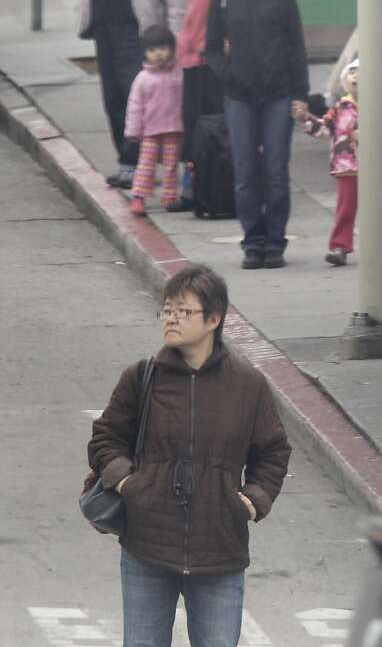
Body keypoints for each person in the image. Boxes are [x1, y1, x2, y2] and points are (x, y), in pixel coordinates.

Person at [87, 264, 291, 647]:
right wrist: (130, 483)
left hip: (220, 552)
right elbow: (105, 438)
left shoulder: (248, 385)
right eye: (167, 310)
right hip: (147, 547)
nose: (171, 319)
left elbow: (273, 451)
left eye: (183, 311)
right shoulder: (142, 376)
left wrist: (254, 499)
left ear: (213, 318)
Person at [205, 0, 309, 270]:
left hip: (278, 97)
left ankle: (275, 242)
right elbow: (212, 50)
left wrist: (301, 95)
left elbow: (296, 48)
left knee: (276, 172)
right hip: (239, 99)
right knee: (246, 172)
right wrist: (228, 76)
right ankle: (253, 242)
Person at [77, 0, 186, 189]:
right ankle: (127, 162)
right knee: (112, 98)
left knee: (136, 98)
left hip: (137, 33)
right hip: (104, 31)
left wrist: (174, 37)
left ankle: (145, 163)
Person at [163, 0, 237, 212]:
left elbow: (230, 8)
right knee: (192, 127)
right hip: (190, 59)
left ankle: (211, 187)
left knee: (213, 127)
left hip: (211, 61)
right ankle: (194, 188)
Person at [124, 25, 185, 217]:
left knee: (170, 165)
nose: (157, 54)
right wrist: (133, 130)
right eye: (152, 50)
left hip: (174, 128)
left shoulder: (178, 74)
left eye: (162, 49)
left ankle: (169, 196)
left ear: (172, 49)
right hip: (151, 130)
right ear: (145, 53)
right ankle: (139, 196)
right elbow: (135, 106)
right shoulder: (143, 78)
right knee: (146, 164)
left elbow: (185, 100)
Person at [305, 60, 359, 266]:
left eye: (361, 72)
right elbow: (322, 128)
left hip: (377, 165)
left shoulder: (379, 104)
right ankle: (340, 247)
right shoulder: (340, 108)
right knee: (345, 208)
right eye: (352, 72)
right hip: (347, 166)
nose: (356, 76)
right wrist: (306, 118)